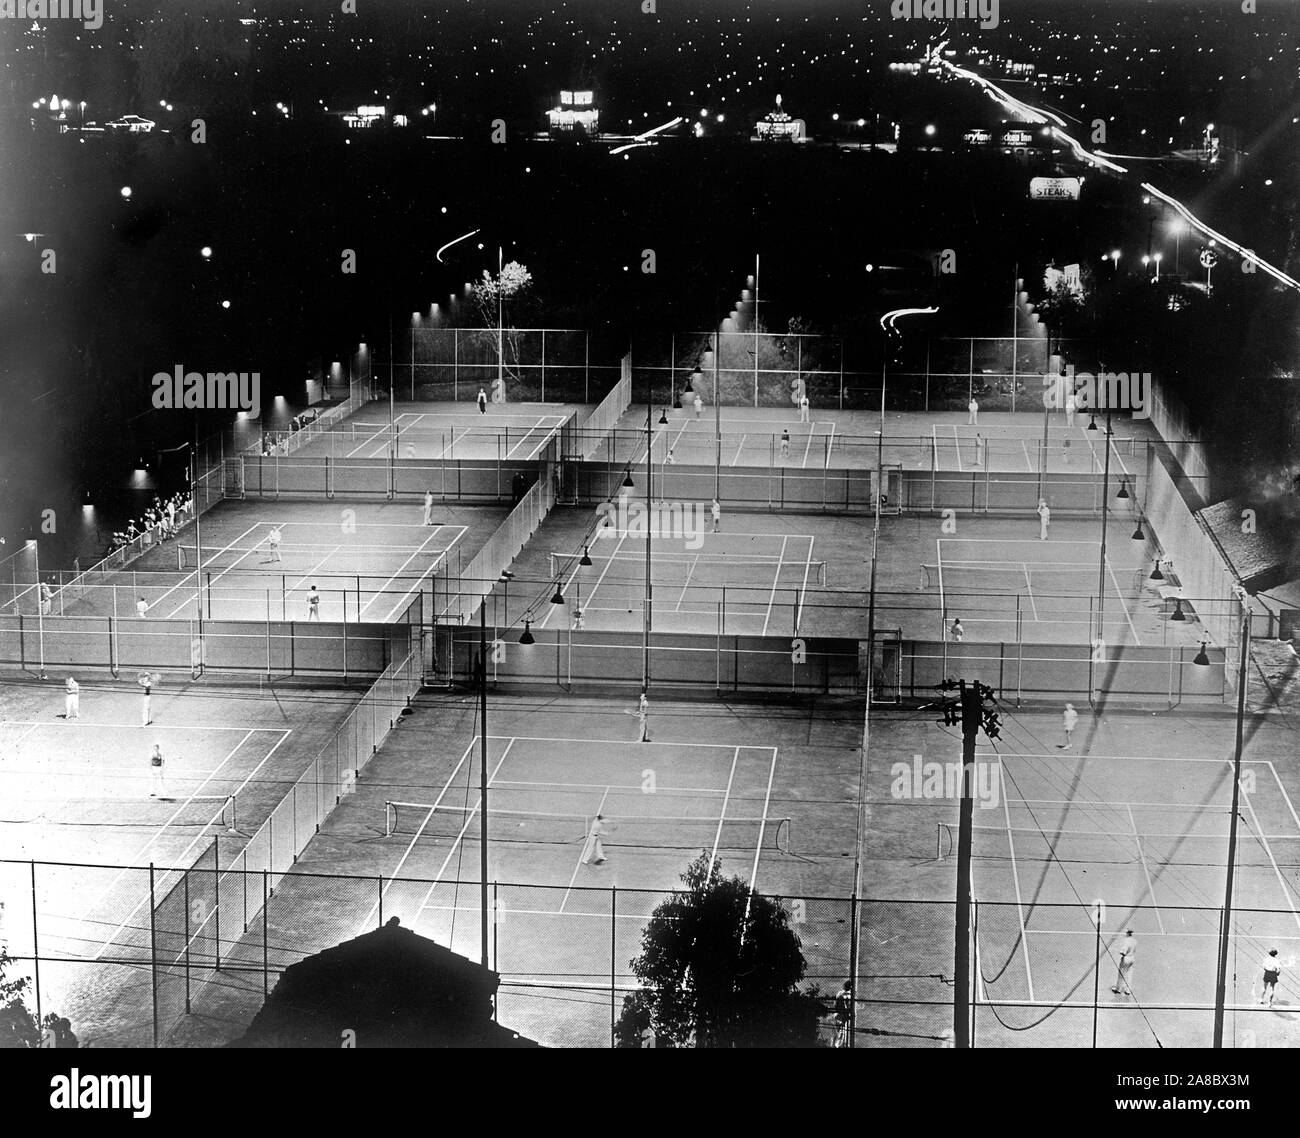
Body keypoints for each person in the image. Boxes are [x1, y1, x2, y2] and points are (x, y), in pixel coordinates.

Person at [1111, 930, 1136, 996]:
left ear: (1127, 933)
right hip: (1132, 958)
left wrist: (1118, 951)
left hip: (1126, 959)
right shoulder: (1134, 941)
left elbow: (1123, 952)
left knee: (1121, 974)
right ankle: (1128, 990)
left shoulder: (1126, 941)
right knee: (1129, 974)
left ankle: (1118, 989)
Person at [833, 981, 854, 1048]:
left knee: (839, 1032)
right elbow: (846, 1007)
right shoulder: (847, 995)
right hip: (842, 1016)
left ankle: (838, 1045)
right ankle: (839, 1046)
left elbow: (835, 1005)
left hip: (839, 1015)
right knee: (841, 1033)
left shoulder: (839, 993)